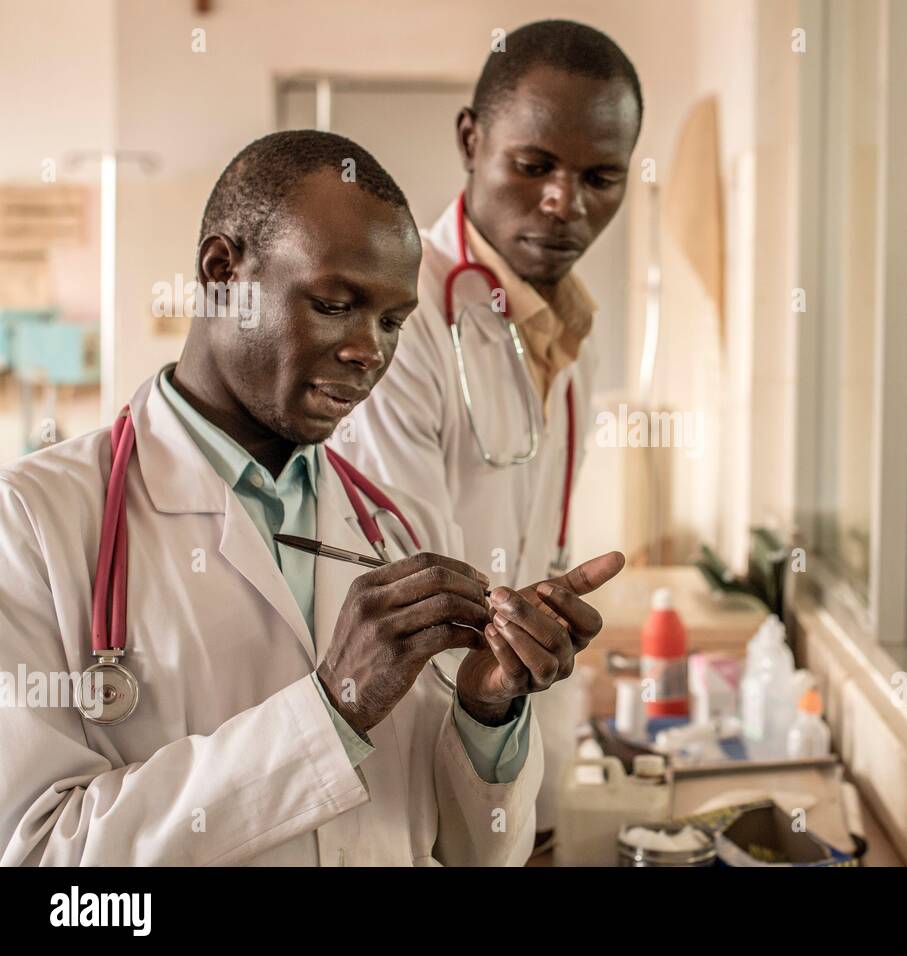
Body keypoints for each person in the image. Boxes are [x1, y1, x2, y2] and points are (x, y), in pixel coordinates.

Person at [0, 130, 623, 866]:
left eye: (393, 321)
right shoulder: (34, 524)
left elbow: (474, 853)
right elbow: (41, 860)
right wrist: (334, 708)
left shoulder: (400, 526)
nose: (370, 351)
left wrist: (487, 713)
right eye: (334, 303)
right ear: (221, 269)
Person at [339, 19, 642, 847]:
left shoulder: (568, 325)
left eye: (601, 176)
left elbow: (539, 560)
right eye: (534, 165)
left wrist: (531, 810)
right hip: (412, 767)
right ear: (472, 139)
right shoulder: (401, 317)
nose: (565, 203)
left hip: (514, 742)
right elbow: (410, 589)